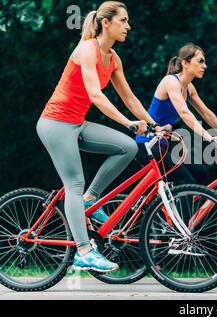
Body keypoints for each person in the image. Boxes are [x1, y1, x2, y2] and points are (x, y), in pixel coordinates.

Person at [36, 1, 159, 272]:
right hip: (56, 123)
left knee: (127, 147)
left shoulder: (113, 58)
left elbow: (129, 97)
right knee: (74, 185)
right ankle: (83, 251)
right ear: (106, 23)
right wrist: (128, 122)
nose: (129, 26)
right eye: (123, 20)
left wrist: (154, 125)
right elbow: (95, 94)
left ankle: (92, 199)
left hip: (77, 124)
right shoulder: (86, 50)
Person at [135, 43, 217, 185]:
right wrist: (209, 137)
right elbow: (184, 112)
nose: (205, 66)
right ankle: (178, 205)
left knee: (201, 172)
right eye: (200, 61)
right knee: (185, 180)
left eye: (204, 61)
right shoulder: (170, 81)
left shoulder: (189, 88)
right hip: (147, 144)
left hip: (163, 144)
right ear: (185, 63)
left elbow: (206, 113)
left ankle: (172, 205)